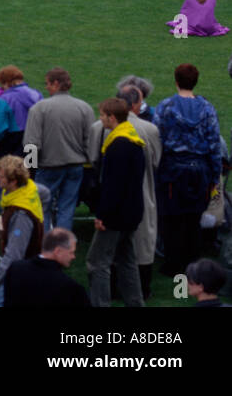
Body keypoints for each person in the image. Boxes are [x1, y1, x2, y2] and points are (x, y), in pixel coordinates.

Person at [152, 63, 223, 277]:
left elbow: (158, 139)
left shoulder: (165, 107)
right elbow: (214, 144)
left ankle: (173, 263)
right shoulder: (207, 108)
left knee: (171, 217)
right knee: (194, 217)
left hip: (173, 169)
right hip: (199, 169)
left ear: (176, 81)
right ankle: (192, 263)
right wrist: (214, 173)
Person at [86, 97, 146, 307]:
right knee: (126, 260)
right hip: (132, 211)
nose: (100, 119)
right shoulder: (133, 139)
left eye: (102, 115)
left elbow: (113, 186)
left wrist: (102, 215)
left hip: (116, 215)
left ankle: (101, 304)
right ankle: (135, 303)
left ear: (112, 117)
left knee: (96, 262)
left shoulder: (117, 145)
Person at [24, 66, 95, 230]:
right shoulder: (84, 108)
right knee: (67, 208)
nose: (46, 87)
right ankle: (62, 247)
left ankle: (45, 245)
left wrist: (29, 169)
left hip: (49, 167)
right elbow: (89, 141)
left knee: (42, 207)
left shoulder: (39, 108)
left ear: (56, 83)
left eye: (47, 83)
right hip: (75, 167)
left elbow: (32, 142)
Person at [0, 155, 47, 306]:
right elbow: (46, 193)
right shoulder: (29, 188)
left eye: (1, 176)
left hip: (22, 270)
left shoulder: (21, 216)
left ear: (13, 181)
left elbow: (14, 254)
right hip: (28, 267)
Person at [4, 226, 88, 307]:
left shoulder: (15, 269)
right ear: (58, 251)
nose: (73, 256)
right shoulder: (71, 288)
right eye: (71, 252)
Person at [0, 66, 44, 159]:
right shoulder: (37, 94)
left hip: (11, 145)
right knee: (31, 171)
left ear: (5, 82)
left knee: (8, 172)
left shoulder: (1, 102)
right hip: (33, 142)